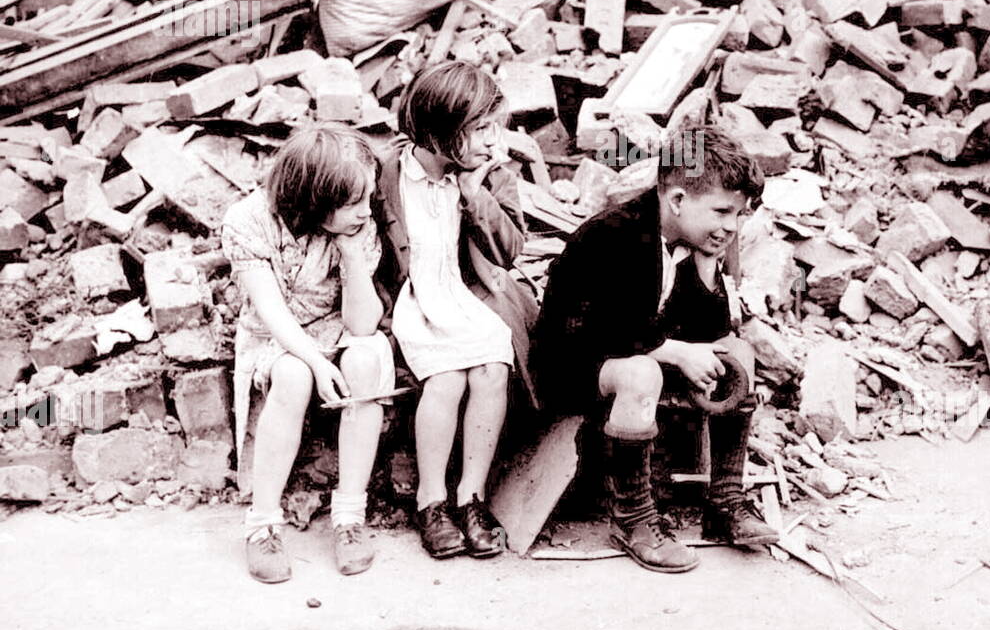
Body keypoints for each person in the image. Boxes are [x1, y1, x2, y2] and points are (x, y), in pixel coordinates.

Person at [531, 123, 779, 573]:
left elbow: (710, 328)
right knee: (642, 373)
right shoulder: (613, 235)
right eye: (723, 212)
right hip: (572, 365)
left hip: (636, 351)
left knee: (737, 352)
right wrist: (677, 353)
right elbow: (597, 331)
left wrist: (707, 268)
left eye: (739, 215)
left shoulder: (691, 237)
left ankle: (724, 498)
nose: (731, 226)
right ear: (678, 200)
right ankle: (633, 518)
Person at [222, 125, 395, 584]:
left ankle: (349, 516)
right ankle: (262, 524)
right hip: (275, 334)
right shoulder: (249, 220)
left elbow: (361, 324)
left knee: (365, 360)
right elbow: (271, 312)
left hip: (334, 326)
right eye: (351, 203)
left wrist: (354, 256)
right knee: (295, 374)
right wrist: (317, 363)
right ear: (314, 198)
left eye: (367, 200)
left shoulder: (358, 227)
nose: (364, 211)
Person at [376, 60, 534, 560]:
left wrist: (474, 196)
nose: (493, 143)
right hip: (412, 299)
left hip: (465, 294)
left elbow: (510, 251)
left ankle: (471, 496)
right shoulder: (385, 174)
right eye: (480, 130)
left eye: (496, 128)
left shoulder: (492, 176)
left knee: (490, 366)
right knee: (446, 377)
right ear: (442, 129)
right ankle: (431, 501)